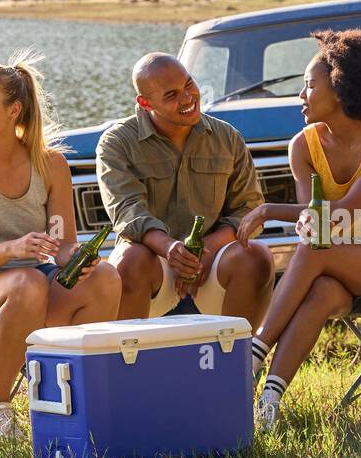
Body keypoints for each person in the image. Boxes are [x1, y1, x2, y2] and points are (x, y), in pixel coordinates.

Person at [236, 29, 361, 431]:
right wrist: (303, 216)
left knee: (317, 244)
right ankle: (268, 400)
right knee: (320, 289)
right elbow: (315, 212)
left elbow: (344, 210)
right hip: (334, 261)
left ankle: (253, 352)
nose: (301, 96)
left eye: (308, 86)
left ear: (339, 89)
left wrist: (271, 209)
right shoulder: (303, 146)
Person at [0, 52, 122, 442]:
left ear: (13, 109)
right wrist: (13, 248)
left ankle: (74, 394)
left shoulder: (51, 165)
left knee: (105, 278)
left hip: (37, 283)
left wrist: (78, 260)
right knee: (26, 283)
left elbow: (62, 243)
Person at [97, 53, 275, 325]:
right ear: (145, 103)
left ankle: (240, 362)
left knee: (257, 257)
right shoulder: (117, 142)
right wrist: (170, 249)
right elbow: (127, 211)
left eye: (189, 84)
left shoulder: (227, 137)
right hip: (153, 264)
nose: (187, 98)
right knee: (129, 258)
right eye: (171, 95)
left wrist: (207, 250)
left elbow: (248, 209)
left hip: (212, 262)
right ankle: (127, 363)